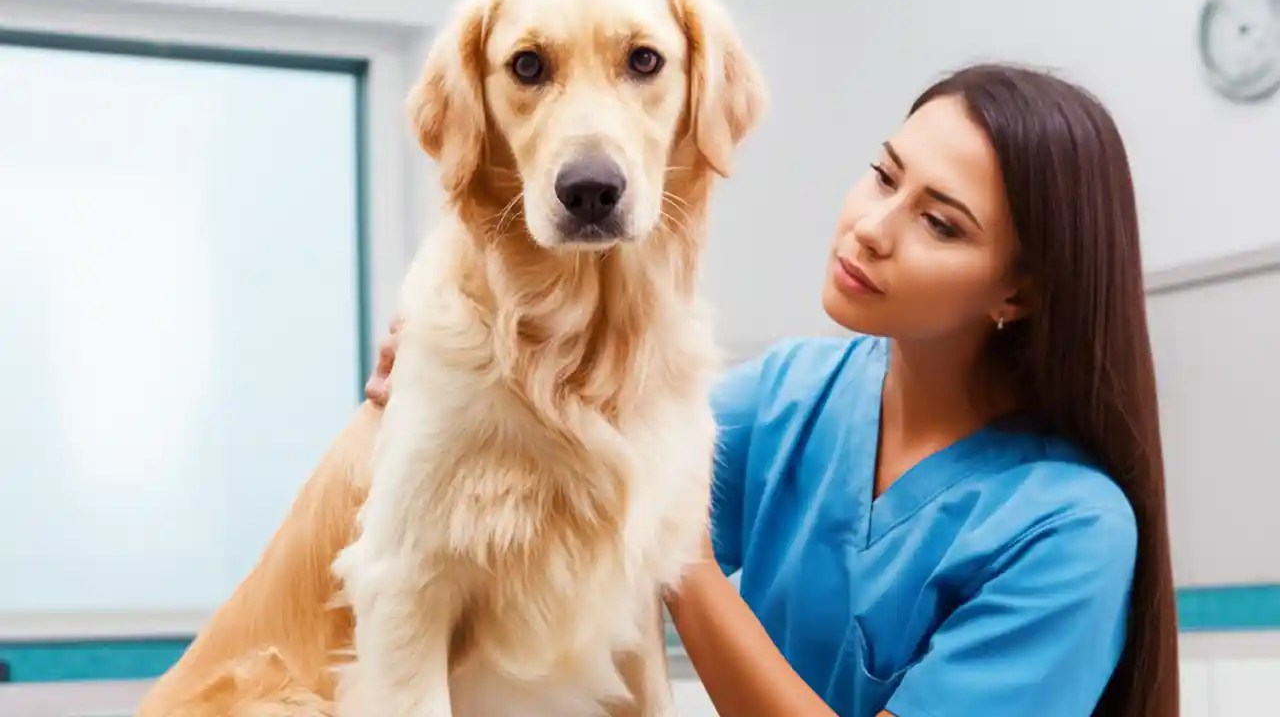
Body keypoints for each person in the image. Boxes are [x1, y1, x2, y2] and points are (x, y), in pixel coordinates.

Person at [366, 63, 1180, 717]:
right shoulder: (795, 393)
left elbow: (642, 492)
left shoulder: (1072, 529)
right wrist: (453, 386)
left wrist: (668, 528)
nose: (871, 226)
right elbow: (561, 475)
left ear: (1020, 293)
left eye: (940, 223)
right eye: (883, 176)